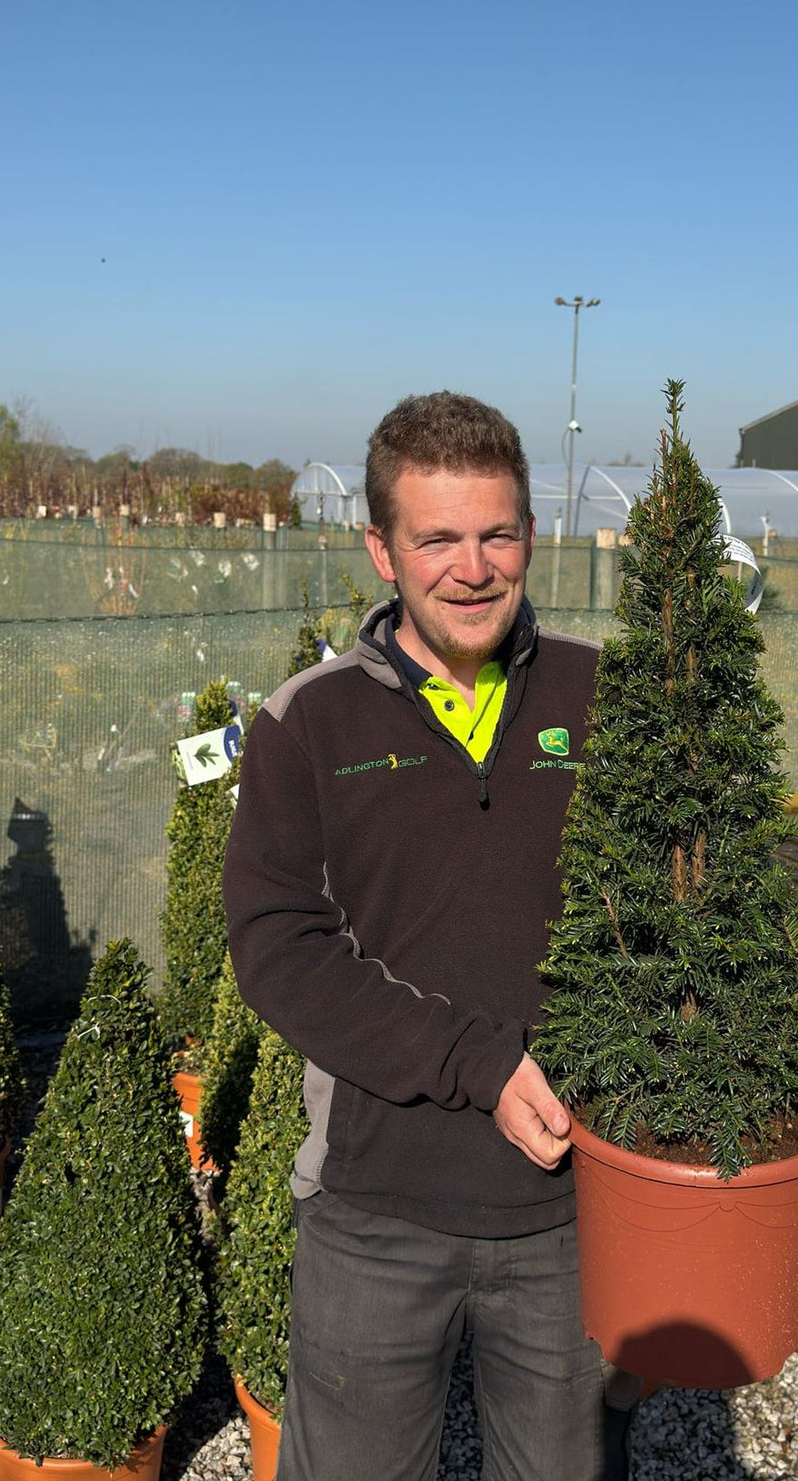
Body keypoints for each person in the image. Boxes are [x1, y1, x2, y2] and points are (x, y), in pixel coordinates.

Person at [223, 392, 633, 1481]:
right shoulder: (309, 722)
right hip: (376, 1207)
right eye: (437, 538)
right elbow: (277, 944)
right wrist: (478, 1061)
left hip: (575, 1204)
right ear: (381, 549)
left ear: (532, 536)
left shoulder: (604, 697)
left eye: (497, 533)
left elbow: (681, 907)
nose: (473, 566)